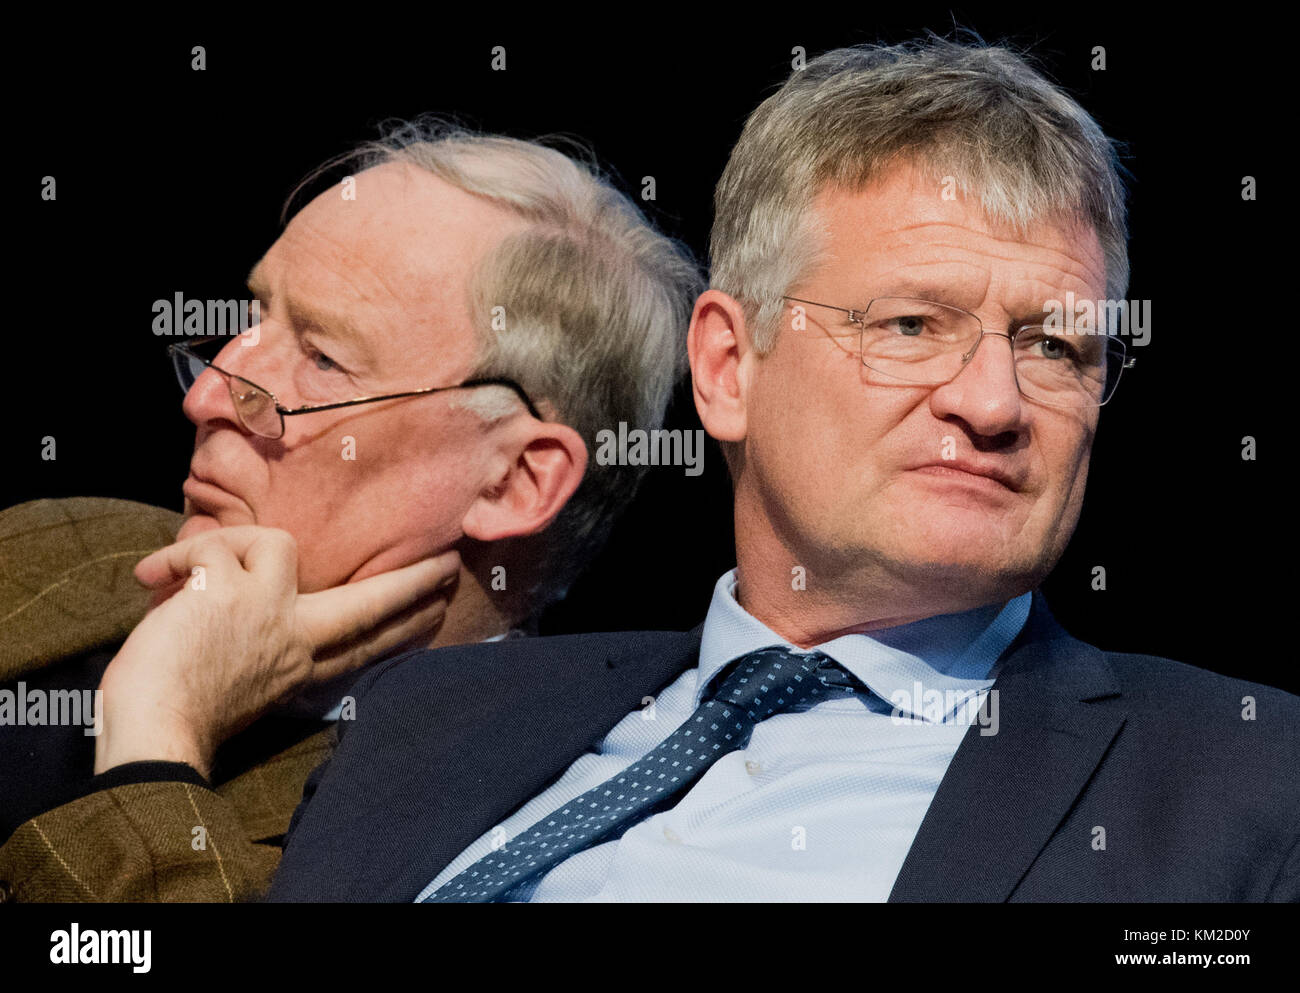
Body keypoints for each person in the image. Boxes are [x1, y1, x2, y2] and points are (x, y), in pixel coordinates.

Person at [263, 40, 1299, 902]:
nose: (992, 404)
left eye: (1053, 347)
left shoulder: (1244, 778)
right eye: (908, 324)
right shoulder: (442, 709)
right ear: (725, 366)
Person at [0, 121, 702, 902]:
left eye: (323, 358)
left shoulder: (513, 838)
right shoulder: (59, 538)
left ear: (513, 480)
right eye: (256, 315)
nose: (205, 396)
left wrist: (155, 732)